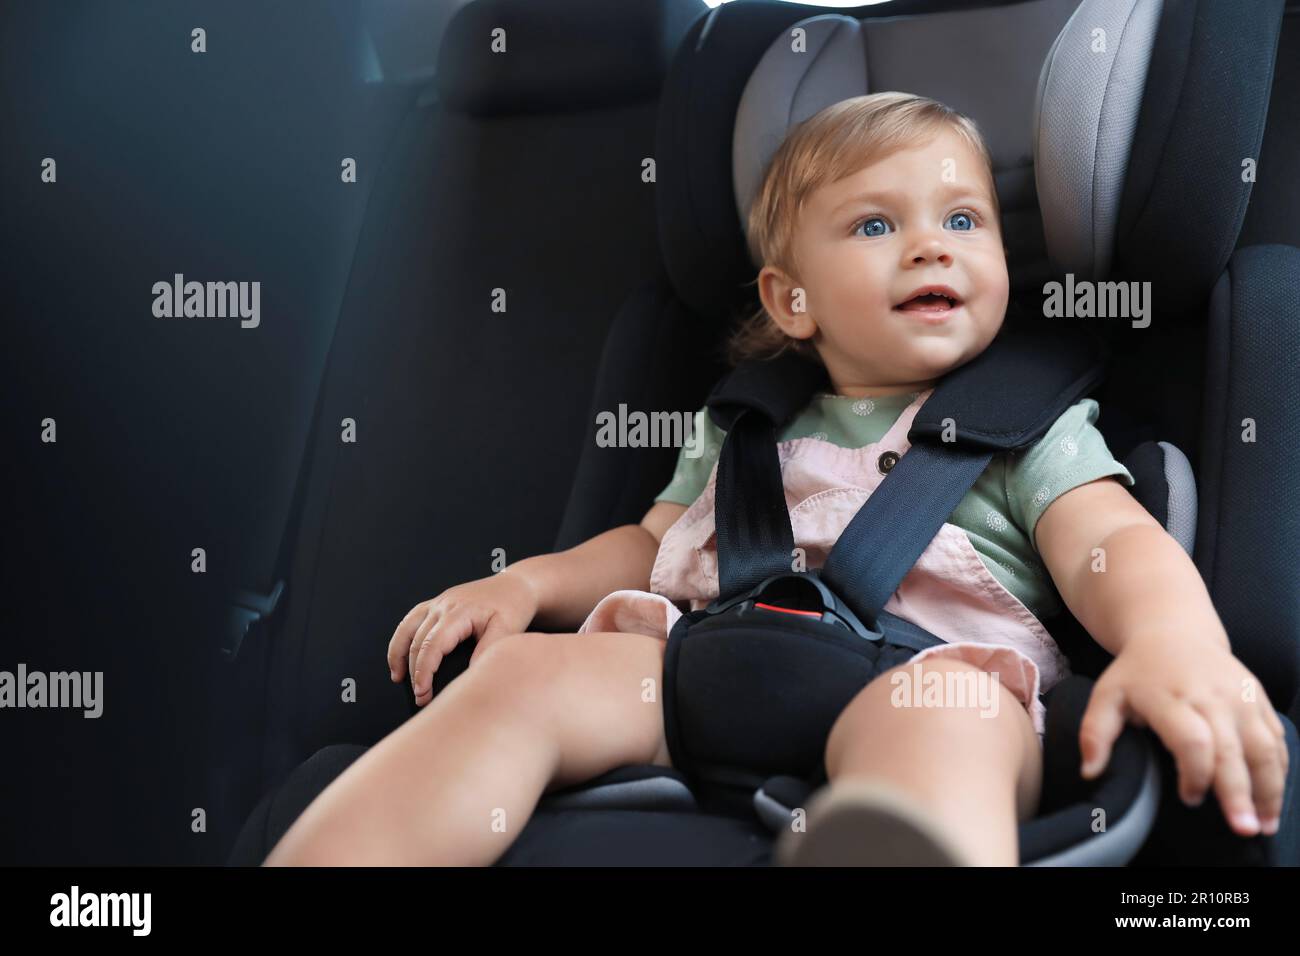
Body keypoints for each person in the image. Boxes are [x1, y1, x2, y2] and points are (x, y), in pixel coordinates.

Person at [263, 92, 1288, 867]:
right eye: (876, 225)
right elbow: (650, 546)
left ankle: (892, 840)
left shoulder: (1031, 428)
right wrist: (526, 584)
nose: (930, 246)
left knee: (951, 725)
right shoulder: (742, 423)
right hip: (705, 663)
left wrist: (1172, 643)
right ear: (792, 299)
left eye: (964, 221)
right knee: (524, 676)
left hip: (925, 673)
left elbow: (1113, 544)